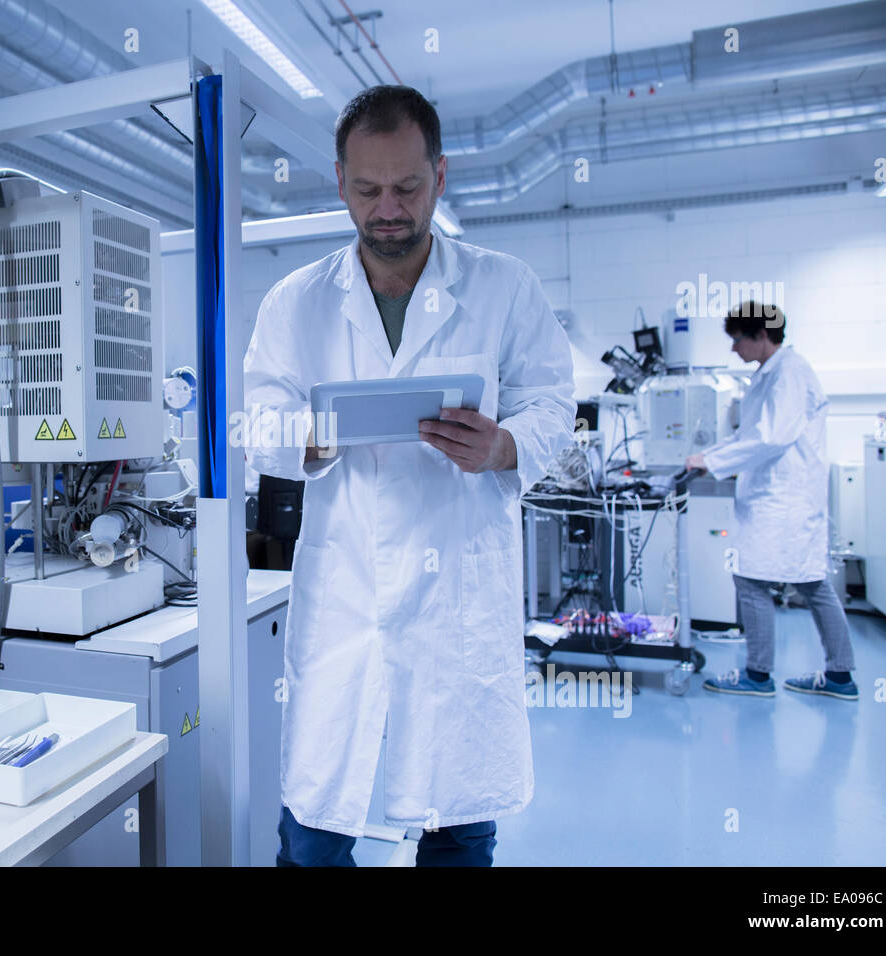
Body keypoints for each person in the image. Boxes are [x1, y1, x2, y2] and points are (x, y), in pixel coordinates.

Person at [243, 86, 576, 867]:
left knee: (457, 823)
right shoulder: (297, 304)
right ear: (339, 182)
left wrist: (503, 447)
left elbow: (558, 411)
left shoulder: (504, 288)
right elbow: (255, 424)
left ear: (441, 176)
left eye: (407, 187)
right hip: (345, 598)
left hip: (457, 598)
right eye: (367, 189)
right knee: (316, 831)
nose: (387, 208)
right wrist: (314, 437)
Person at [685, 303, 858, 701]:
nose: (734, 349)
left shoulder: (789, 373)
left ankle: (758, 675)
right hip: (778, 498)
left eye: (737, 339)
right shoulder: (772, 374)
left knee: (753, 579)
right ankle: (840, 677)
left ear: (762, 335)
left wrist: (711, 461)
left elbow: (770, 437)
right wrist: (709, 457)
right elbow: (750, 433)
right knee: (812, 584)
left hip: (784, 500)